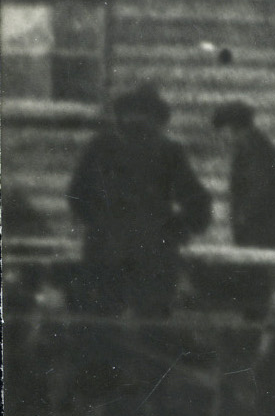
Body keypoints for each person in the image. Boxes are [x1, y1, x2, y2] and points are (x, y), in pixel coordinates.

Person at [66, 84, 212, 318]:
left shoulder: (99, 147)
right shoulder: (168, 150)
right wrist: (176, 228)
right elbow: (198, 203)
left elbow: (77, 195)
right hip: (153, 256)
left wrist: (101, 224)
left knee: (105, 327)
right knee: (151, 327)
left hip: (107, 254)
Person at [198, 101, 275, 318]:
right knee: (256, 290)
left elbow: (258, 191)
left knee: (259, 291)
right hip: (258, 232)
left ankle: (257, 337)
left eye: (223, 132)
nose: (223, 139)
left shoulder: (254, 149)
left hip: (263, 234)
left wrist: (241, 219)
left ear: (232, 127)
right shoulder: (254, 146)